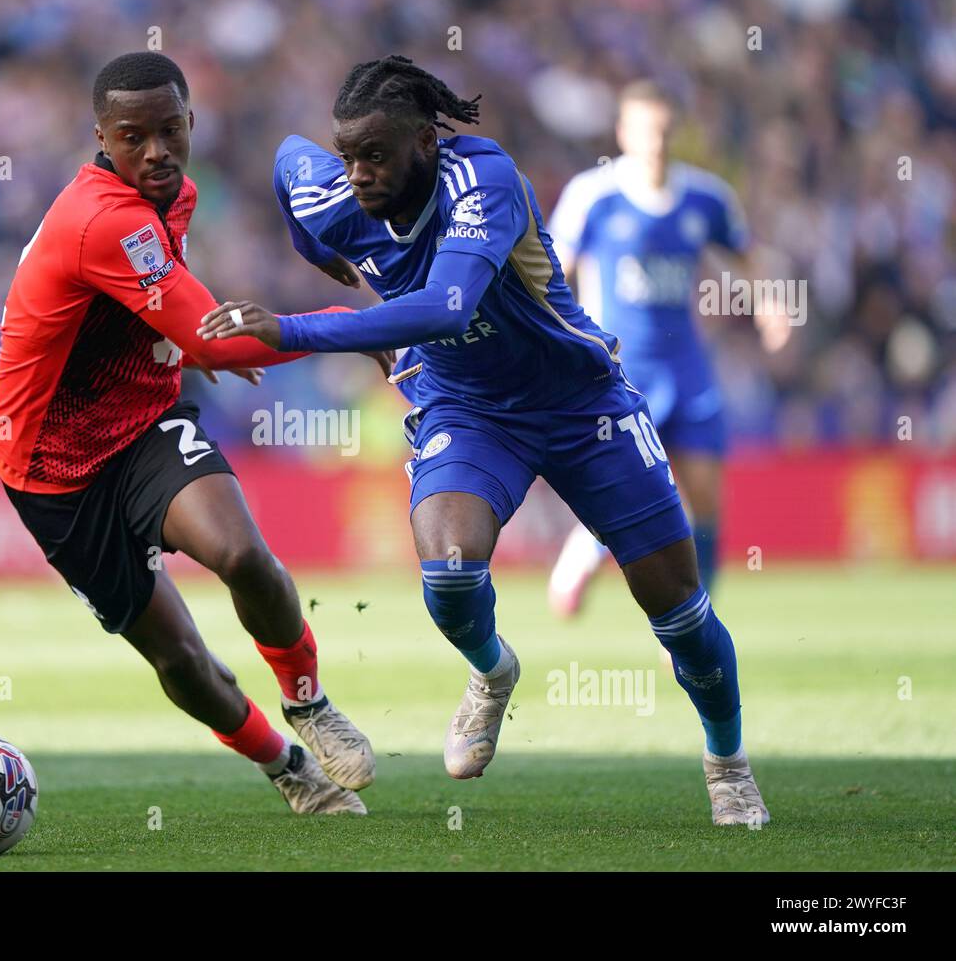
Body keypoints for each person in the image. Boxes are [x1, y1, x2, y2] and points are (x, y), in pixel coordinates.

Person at [199, 56, 769, 826]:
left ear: (427, 146)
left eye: (376, 156)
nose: (359, 174)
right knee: (450, 571)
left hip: (579, 402)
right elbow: (285, 166)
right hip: (466, 406)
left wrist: (295, 326)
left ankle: (727, 763)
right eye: (350, 156)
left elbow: (445, 303)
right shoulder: (332, 190)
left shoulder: (484, 181)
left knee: (677, 608)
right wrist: (320, 256)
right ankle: (492, 672)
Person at [0, 52, 386, 815]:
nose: (157, 152)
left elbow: (193, 327)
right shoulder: (104, 220)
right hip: (53, 469)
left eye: (171, 131)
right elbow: (217, 342)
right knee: (181, 658)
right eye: (134, 137)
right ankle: (287, 766)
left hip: (143, 424)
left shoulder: (176, 194)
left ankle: (308, 700)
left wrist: (201, 341)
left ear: (191, 123)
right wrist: (359, 328)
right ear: (101, 137)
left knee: (242, 555)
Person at [546, 80, 787, 616]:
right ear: (623, 133)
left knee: (703, 494)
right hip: (619, 368)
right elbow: (553, 270)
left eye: (663, 130)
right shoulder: (595, 196)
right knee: (628, 490)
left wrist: (768, 306)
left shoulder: (706, 197)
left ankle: (695, 616)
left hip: (686, 366)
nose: (655, 141)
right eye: (645, 130)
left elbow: (743, 256)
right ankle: (583, 552)